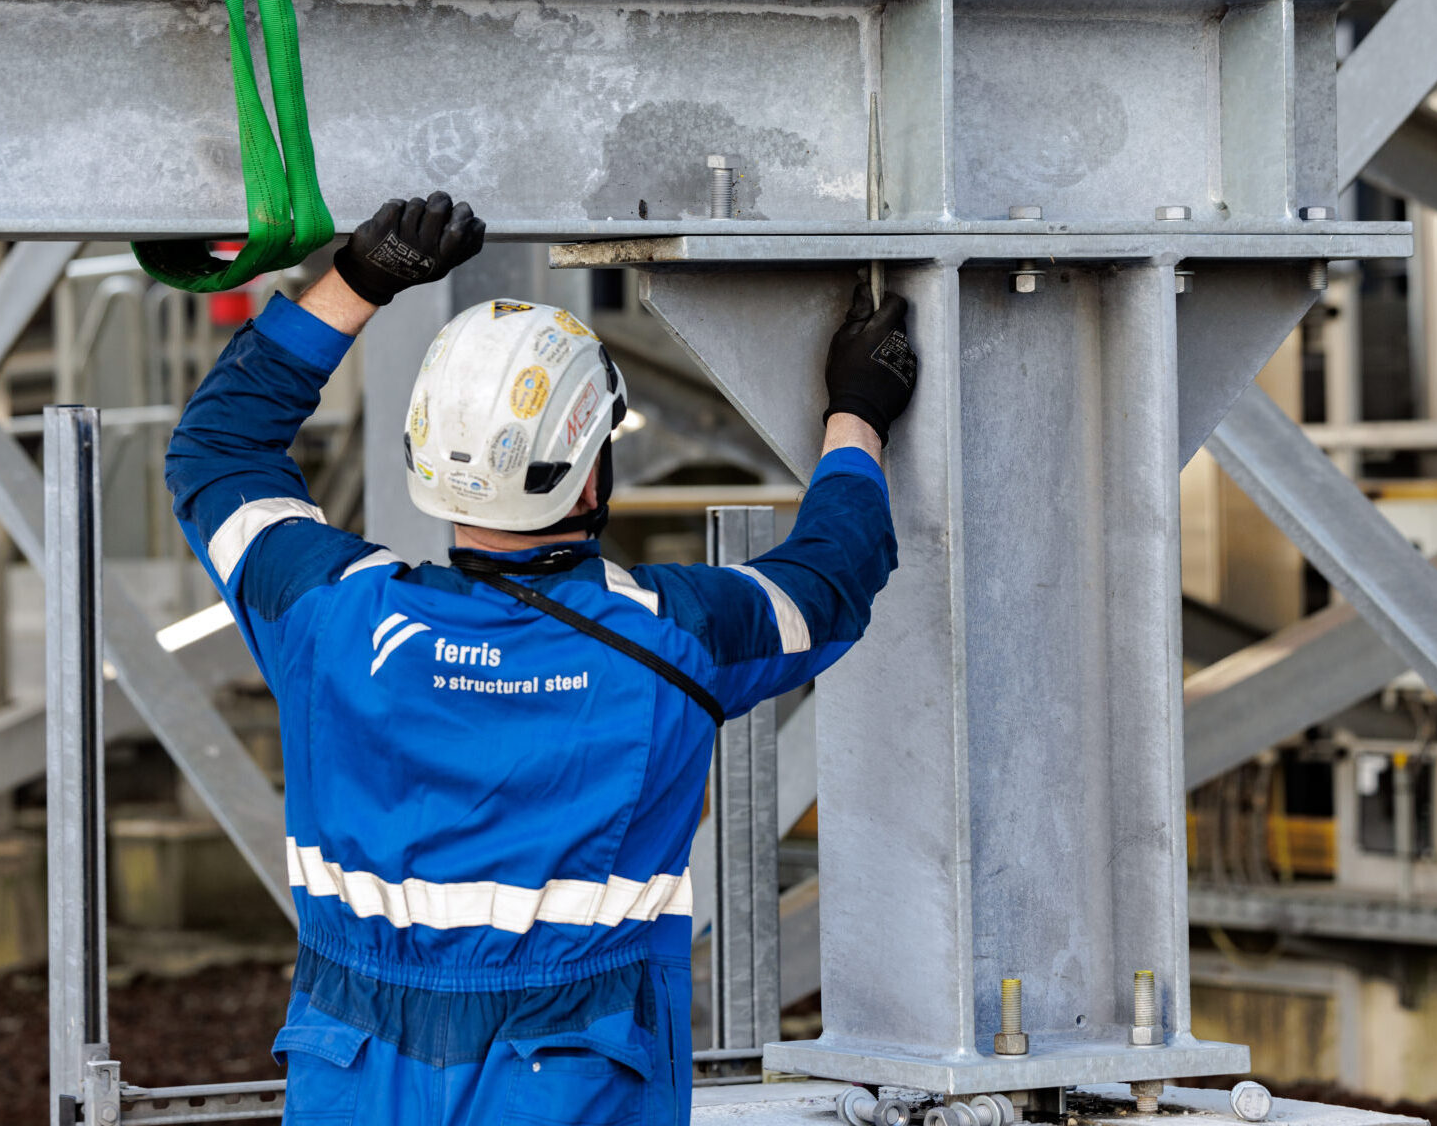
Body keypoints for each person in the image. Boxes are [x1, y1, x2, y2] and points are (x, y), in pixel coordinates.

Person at [166, 190, 919, 1126]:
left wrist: (354, 284)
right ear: (591, 463)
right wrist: (858, 415)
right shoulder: (671, 638)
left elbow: (218, 450)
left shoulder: (329, 615)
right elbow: (829, 581)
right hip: (567, 1078)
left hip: (354, 1069)